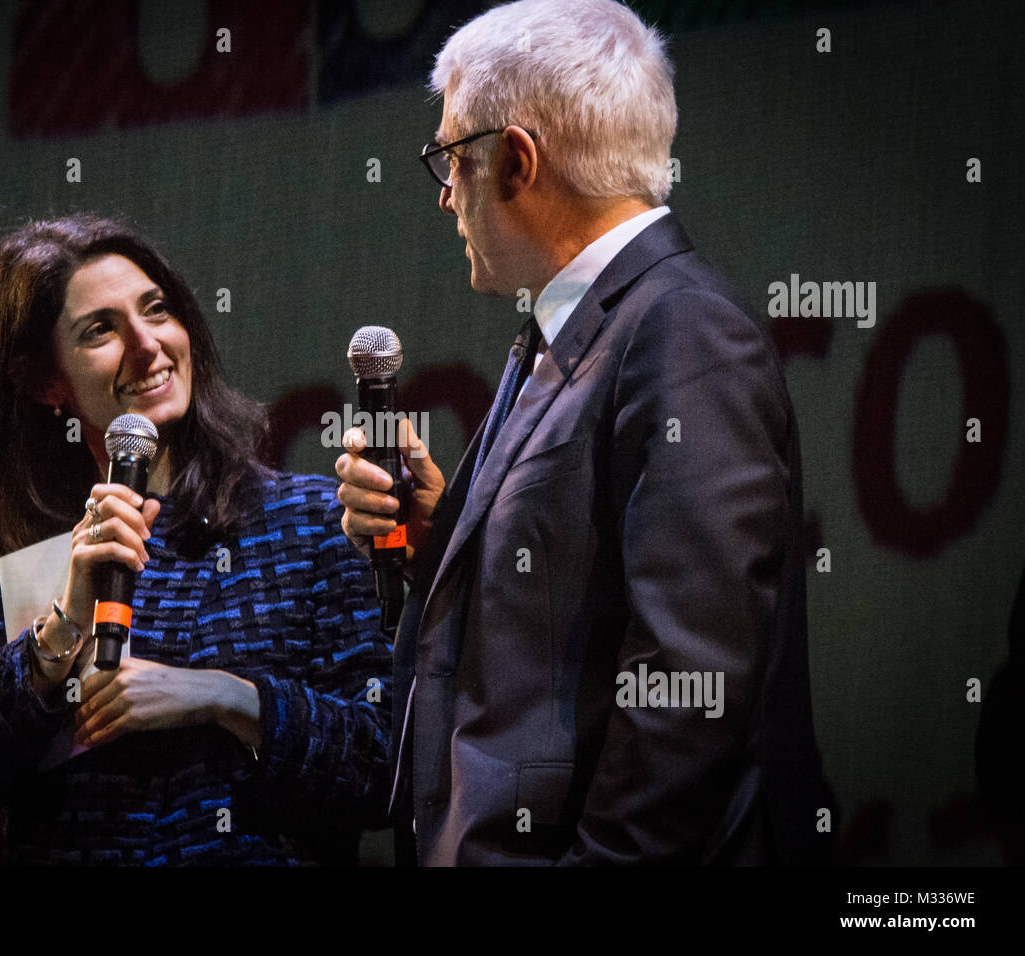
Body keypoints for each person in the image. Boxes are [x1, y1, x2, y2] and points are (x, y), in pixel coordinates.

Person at [336, 0, 832, 865]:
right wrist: (440, 538)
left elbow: (690, 683)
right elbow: (572, 604)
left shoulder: (681, 330)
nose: (446, 195)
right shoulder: (579, 327)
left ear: (518, 160)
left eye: (452, 159)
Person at [0, 213, 391, 865]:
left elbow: (381, 765)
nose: (147, 344)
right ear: (45, 380)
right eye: (100, 329)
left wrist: (224, 697)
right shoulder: (3, 540)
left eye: (156, 310)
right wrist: (58, 633)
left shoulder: (305, 522)